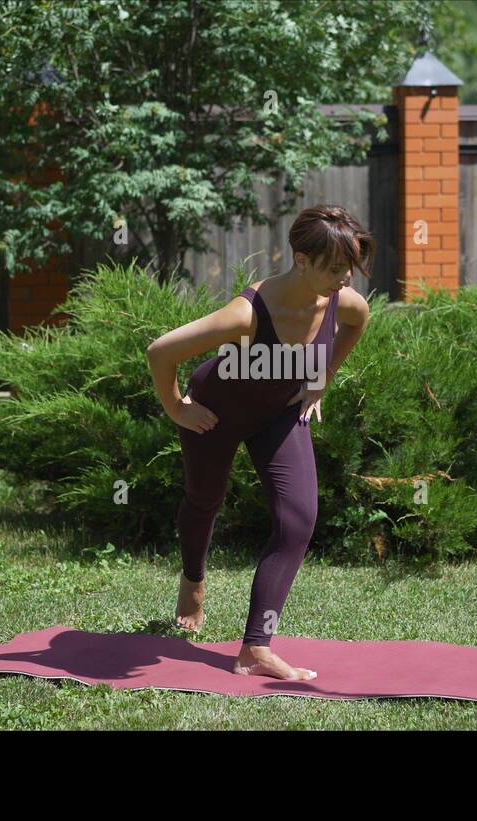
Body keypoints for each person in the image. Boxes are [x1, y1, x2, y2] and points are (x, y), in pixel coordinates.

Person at [145, 204, 373, 681]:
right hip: (217, 413)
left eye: (349, 268)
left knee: (298, 520)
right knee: (204, 500)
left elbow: (358, 322)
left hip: (279, 413)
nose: (344, 279)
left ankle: (255, 648)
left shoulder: (341, 300)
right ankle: (193, 579)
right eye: (334, 268)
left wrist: (322, 377)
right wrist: (177, 409)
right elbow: (161, 350)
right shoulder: (247, 312)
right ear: (301, 259)